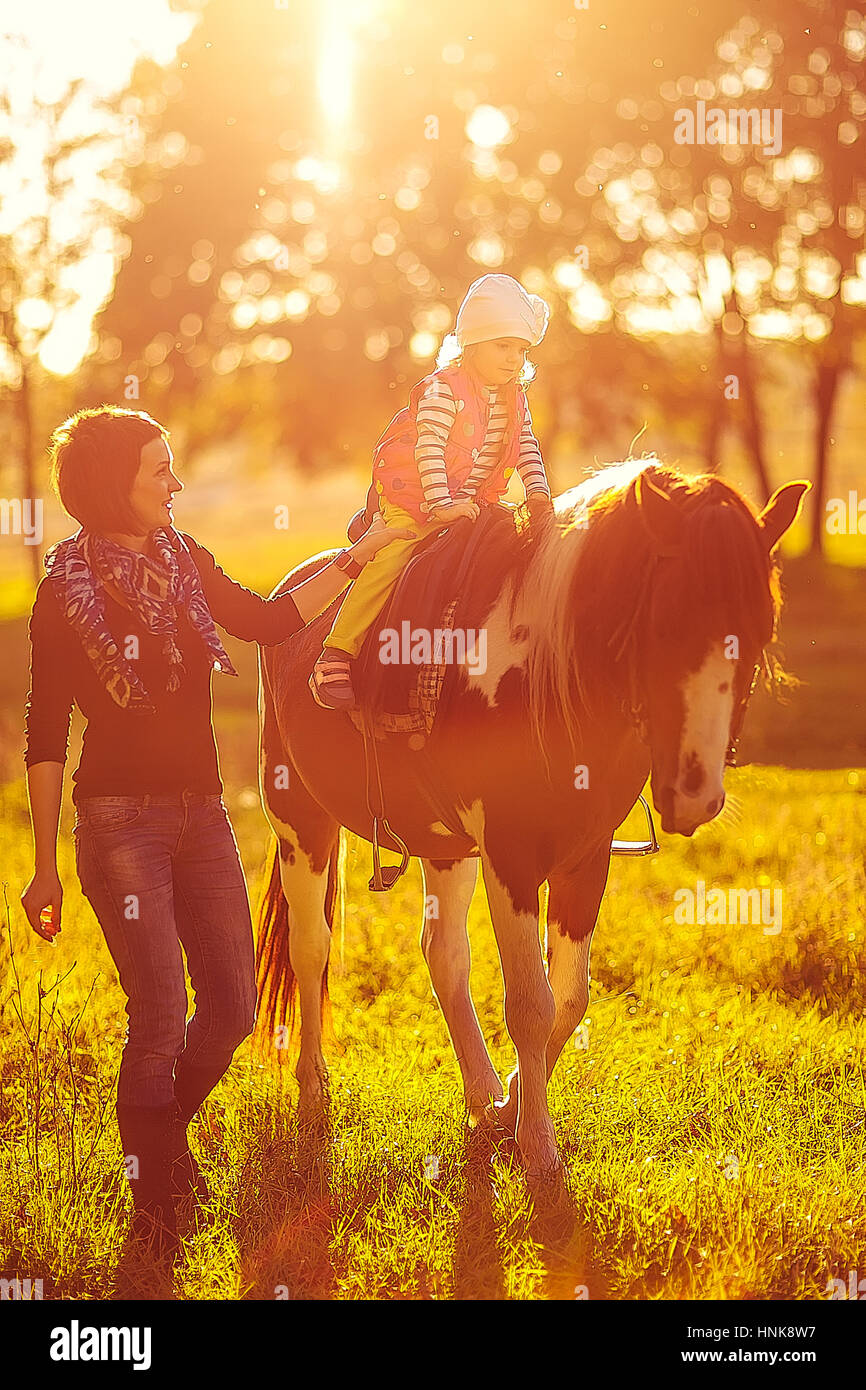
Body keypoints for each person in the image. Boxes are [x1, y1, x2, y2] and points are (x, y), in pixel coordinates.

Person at [19, 405, 410, 1262]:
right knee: (159, 1014)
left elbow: (269, 623)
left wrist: (359, 557)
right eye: (160, 470)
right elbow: (45, 736)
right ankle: (154, 1210)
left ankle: (156, 1146)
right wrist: (43, 866)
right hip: (119, 826)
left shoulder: (185, 563)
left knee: (232, 1009)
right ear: (111, 483)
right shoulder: (61, 598)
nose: (177, 484)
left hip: (201, 818)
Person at [310, 273, 555, 710]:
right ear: (473, 344)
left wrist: (538, 494)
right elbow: (429, 447)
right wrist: (440, 504)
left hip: (472, 499)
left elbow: (525, 447)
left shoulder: (514, 397)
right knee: (394, 554)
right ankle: (337, 653)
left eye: (521, 349)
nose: (514, 359)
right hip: (415, 492)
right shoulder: (445, 389)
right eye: (503, 346)